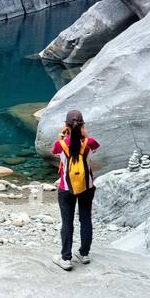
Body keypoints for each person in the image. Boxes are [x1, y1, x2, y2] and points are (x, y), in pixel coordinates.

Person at [51, 109, 99, 270]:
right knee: (85, 218)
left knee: (67, 222)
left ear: (66, 126)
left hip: (66, 188)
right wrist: (84, 134)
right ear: (82, 125)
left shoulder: (60, 144)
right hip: (86, 186)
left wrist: (62, 136)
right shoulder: (89, 142)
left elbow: (56, 154)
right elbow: (95, 147)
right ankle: (84, 254)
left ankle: (66, 258)